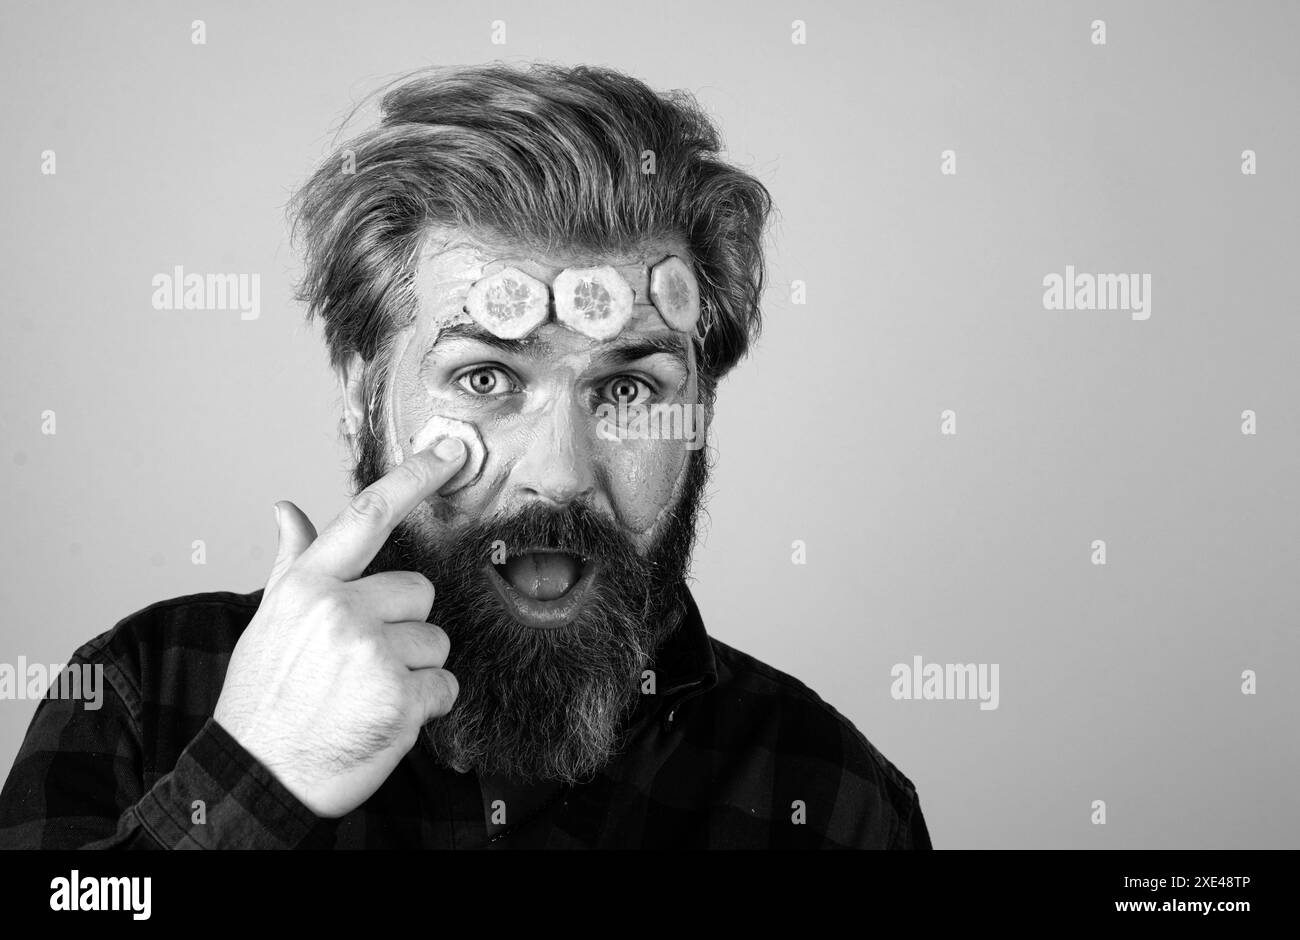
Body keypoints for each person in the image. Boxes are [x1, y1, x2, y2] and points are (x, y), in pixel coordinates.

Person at [0, 63, 931, 849]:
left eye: (630, 390)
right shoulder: (143, 698)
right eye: (485, 378)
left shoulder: (834, 798)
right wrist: (254, 778)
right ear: (362, 397)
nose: (560, 472)